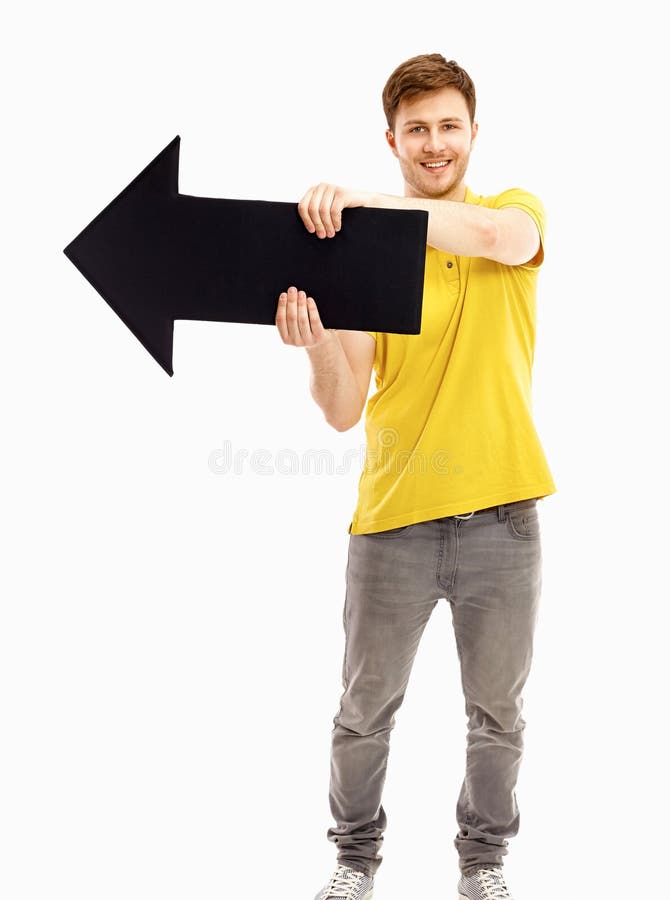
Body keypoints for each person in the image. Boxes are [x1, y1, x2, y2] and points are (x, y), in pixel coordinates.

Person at [274, 53, 556, 900]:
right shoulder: (363, 254)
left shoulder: (515, 214)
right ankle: (354, 861)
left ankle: (484, 864)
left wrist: (366, 205)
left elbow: (501, 241)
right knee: (363, 715)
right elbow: (341, 407)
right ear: (392, 139)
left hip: (503, 522)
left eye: (449, 126)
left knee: (497, 718)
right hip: (392, 520)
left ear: (473, 133)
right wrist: (317, 338)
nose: (435, 144)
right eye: (418, 130)